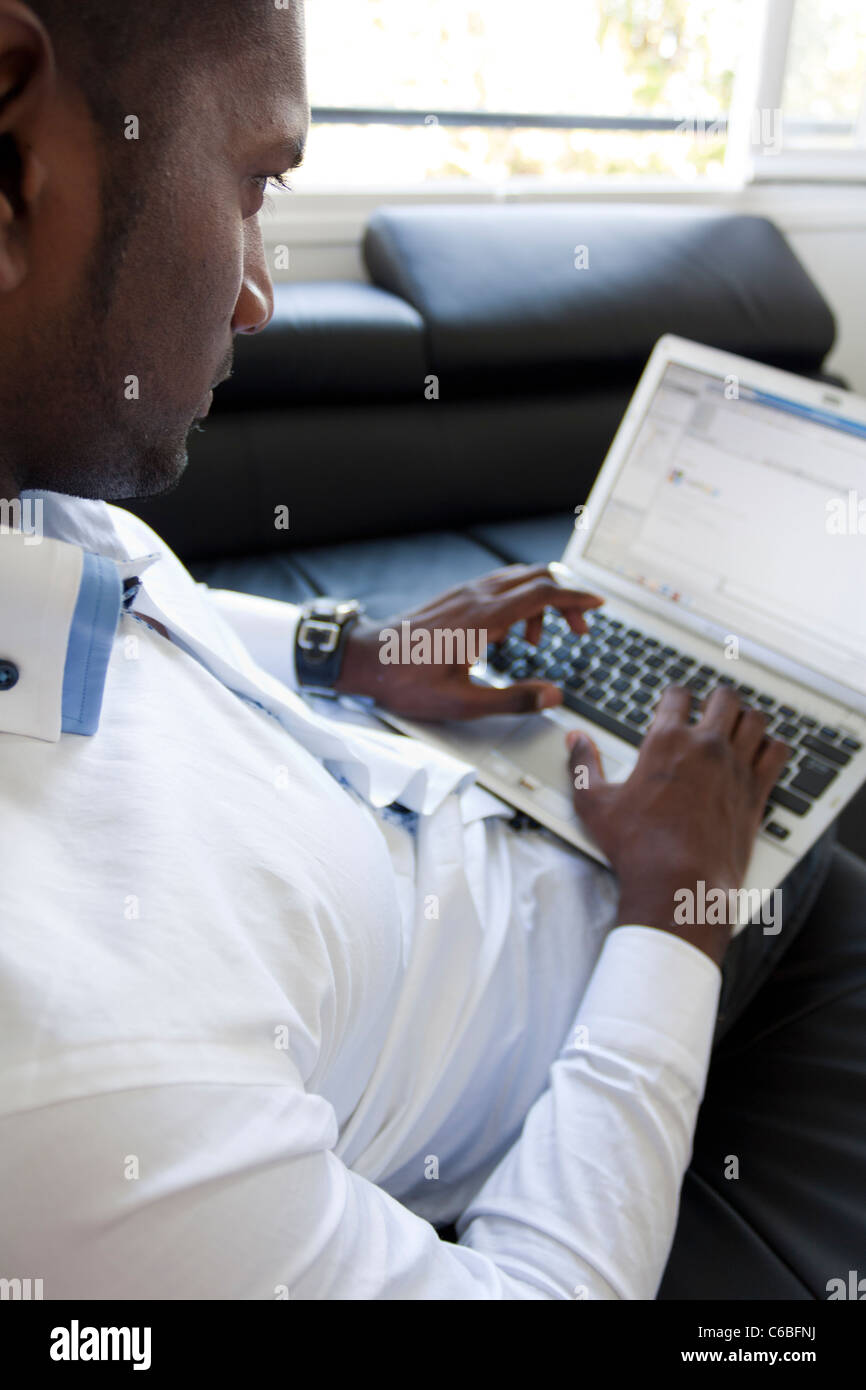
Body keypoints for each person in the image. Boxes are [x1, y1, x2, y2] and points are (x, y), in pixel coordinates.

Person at [0, 0, 856, 1300]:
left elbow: (118, 621)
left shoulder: (29, 494)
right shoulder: (73, 1081)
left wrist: (351, 650)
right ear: (13, 147)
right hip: (646, 961)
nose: (258, 290)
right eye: (255, 177)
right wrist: (676, 906)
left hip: (501, 807)